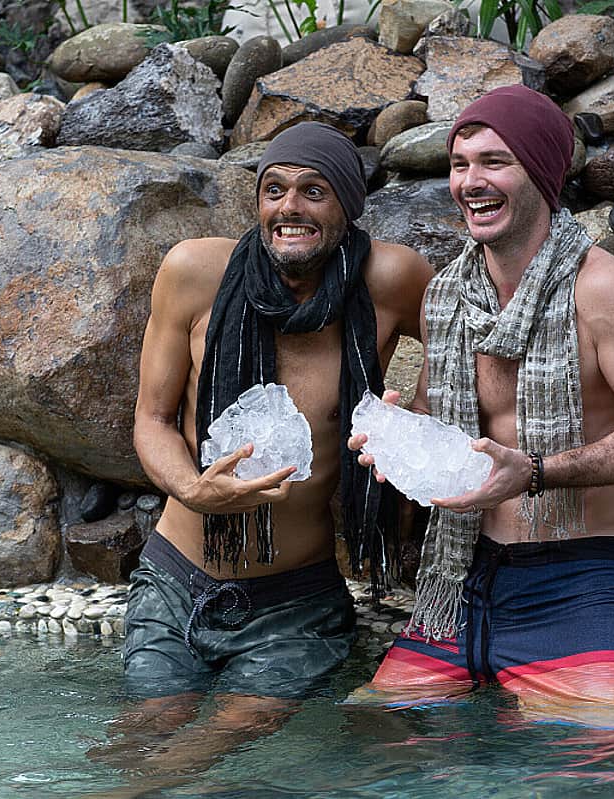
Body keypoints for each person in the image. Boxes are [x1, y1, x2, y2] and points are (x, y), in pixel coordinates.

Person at [350, 86, 614, 730]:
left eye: (494, 162)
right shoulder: (448, 295)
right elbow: (446, 424)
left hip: (578, 577)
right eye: (460, 165)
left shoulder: (607, 290)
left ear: (540, 172)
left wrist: (537, 471)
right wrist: (397, 435)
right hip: (458, 576)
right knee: (376, 737)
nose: (470, 182)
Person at [103, 121, 433, 779]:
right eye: (274, 189)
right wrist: (194, 488)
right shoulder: (195, 271)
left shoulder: (392, 278)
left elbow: (469, 347)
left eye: (314, 191)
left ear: (347, 205)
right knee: (151, 721)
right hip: (176, 575)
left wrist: (416, 422)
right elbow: (151, 419)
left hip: (296, 597)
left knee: (243, 725)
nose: (289, 207)